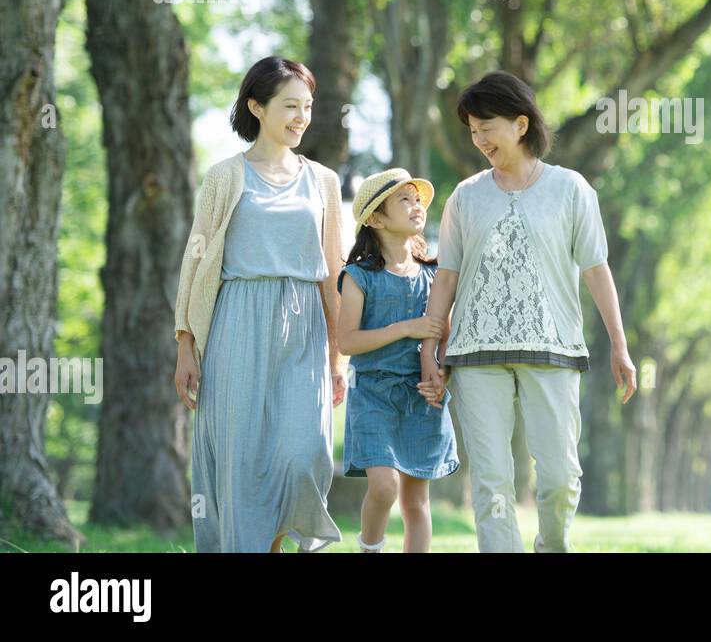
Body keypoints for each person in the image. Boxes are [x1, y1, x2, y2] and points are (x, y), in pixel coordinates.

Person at [417, 70, 637, 552]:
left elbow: (596, 270)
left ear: (520, 124)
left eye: (486, 127)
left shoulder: (571, 189)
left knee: (559, 478)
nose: (478, 140)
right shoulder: (465, 197)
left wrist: (619, 346)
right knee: (492, 485)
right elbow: (447, 278)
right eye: (472, 131)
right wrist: (429, 346)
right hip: (475, 352)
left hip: (554, 348)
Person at [173, 55, 345, 552]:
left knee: (302, 455)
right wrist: (186, 344)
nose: (301, 117)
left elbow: (333, 271)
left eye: (307, 107)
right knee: (240, 461)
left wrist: (339, 358)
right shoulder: (225, 177)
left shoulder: (324, 182)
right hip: (236, 321)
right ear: (257, 107)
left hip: (305, 325)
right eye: (290, 105)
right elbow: (197, 260)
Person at [337, 169, 460, 553]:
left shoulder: (434, 273)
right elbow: (347, 341)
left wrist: (442, 375)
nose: (416, 206)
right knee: (384, 487)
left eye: (417, 199)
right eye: (403, 201)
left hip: (422, 398)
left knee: (416, 500)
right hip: (373, 395)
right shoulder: (358, 276)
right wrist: (407, 327)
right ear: (376, 218)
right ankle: (369, 547)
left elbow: (445, 336)